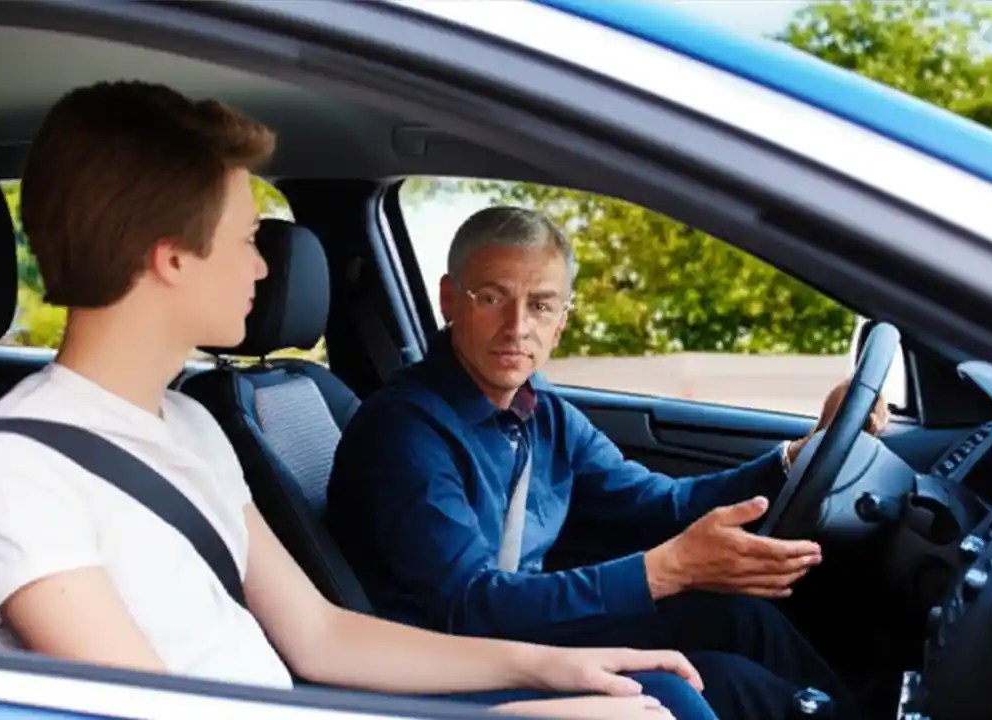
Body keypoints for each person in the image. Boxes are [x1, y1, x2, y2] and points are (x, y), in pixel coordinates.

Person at [0, 81, 719, 720]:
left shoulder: (186, 424)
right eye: (247, 240)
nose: (266, 271)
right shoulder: (15, 469)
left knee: (645, 697)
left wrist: (551, 666)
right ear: (172, 260)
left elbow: (320, 638)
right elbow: (154, 711)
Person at [328, 206, 889, 719]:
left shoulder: (543, 415)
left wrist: (797, 455)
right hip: (445, 670)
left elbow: (662, 505)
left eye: (541, 305)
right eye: (493, 297)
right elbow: (467, 607)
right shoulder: (402, 433)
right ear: (450, 300)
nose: (518, 326)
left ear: (563, 319)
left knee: (738, 619)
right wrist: (664, 571)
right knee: (713, 685)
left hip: (518, 631)